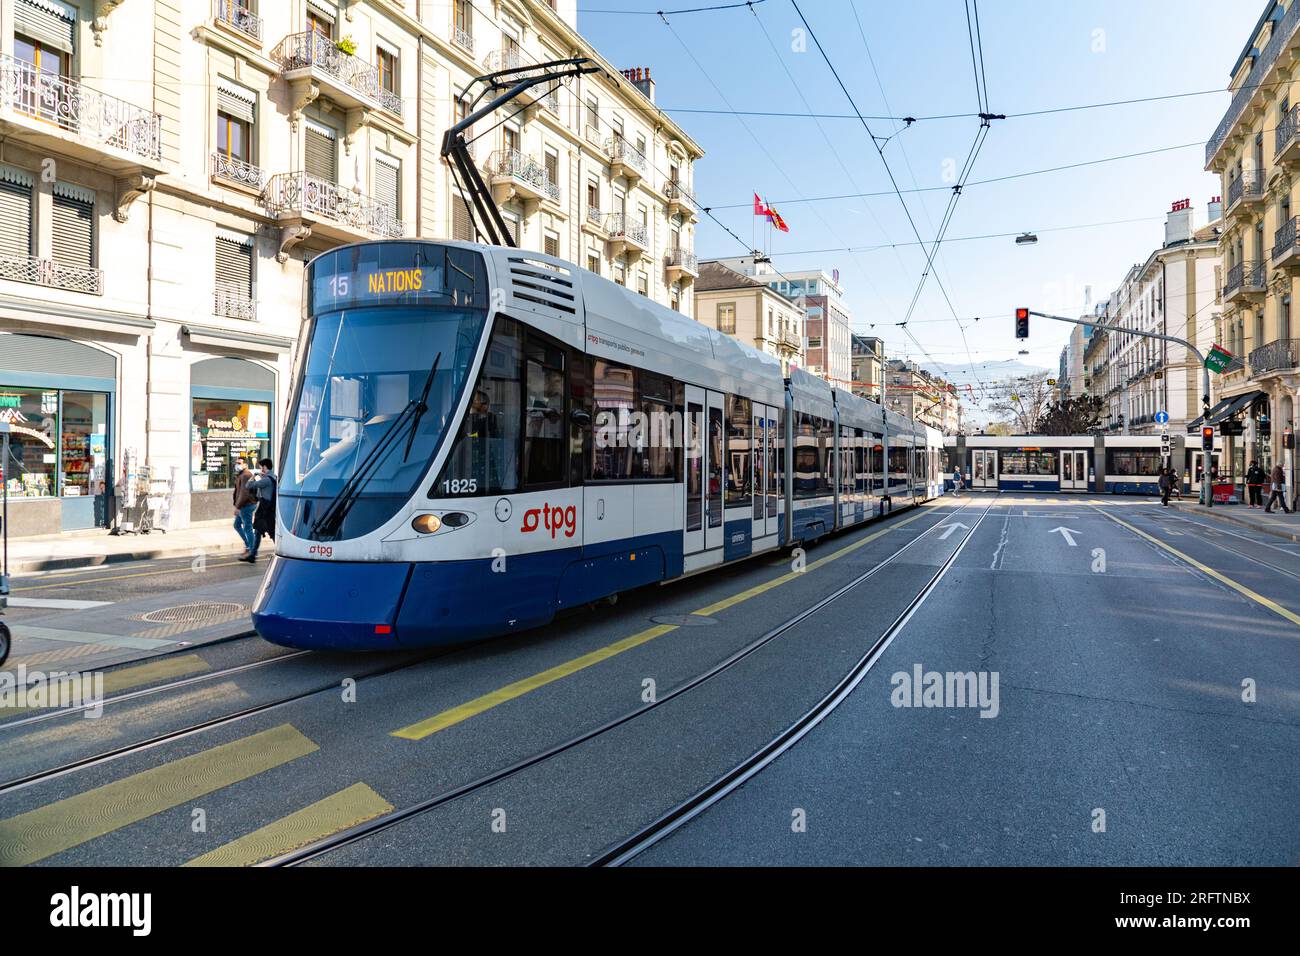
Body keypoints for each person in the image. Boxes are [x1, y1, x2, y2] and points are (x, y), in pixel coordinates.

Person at [244, 457, 277, 563]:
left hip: (264, 510)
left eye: (261, 467)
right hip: (270, 509)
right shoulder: (274, 477)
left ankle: (283, 551)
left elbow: (248, 485)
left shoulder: (266, 480)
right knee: (259, 531)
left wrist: (254, 476)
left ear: (265, 467)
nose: (260, 469)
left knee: (271, 532)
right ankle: (253, 555)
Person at [232, 456, 258, 558]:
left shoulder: (246, 475)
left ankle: (252, 551)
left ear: (246, 465)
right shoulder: (242, 475)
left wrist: (237, 507)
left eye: (240, 463)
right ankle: (248, 546)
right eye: (237, 463)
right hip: (244, 504)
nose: (237, 465)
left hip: (246, 505)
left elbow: (244, 493)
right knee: (237, 525)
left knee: (248, 527)